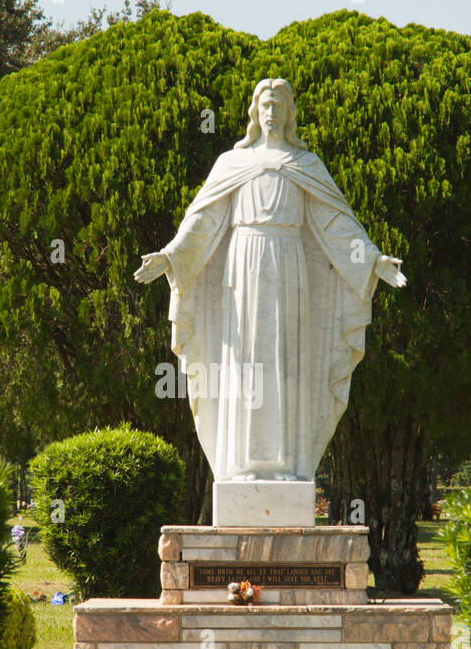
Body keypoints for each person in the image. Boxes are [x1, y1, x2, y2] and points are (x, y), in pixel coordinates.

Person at [134, 78, 406, 483]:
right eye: (266, 105)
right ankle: (243, 465)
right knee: (244, 362)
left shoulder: (306, 165)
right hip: (243, 269)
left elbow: (335, 223)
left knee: (285, 362)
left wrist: (370, 259)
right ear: (255, 113)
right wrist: (172, 255)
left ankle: (287, 464)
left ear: (290, 113)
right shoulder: (232, 164)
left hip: (289, 268)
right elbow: (204, 221)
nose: (272, 113)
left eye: (279, 105)